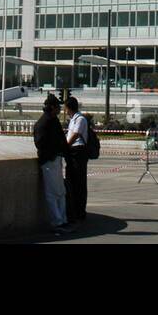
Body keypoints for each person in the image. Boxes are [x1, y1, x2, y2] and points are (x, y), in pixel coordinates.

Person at [33, 94, 70, 233]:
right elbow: (40, 143)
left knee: (60, 191)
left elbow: (61, 140)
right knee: (52, 193)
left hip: (55, 159)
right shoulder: (44, 123)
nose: (60, 109)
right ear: (53, 107)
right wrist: (53, 153)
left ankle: (63, 219)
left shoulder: (52, 121)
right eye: (58, 106)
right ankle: (57, 222)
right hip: (49, 161)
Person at [64, 96, 89, 224]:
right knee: (71, 182)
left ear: (69, 108)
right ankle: (73, 210)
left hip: (78, 152)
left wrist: (65, 146)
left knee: (79, 182)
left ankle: (80, 211)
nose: (65, 111)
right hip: (72, 152)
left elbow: (75, 135)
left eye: (66, 108)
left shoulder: (80, 119)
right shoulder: (72, 120)